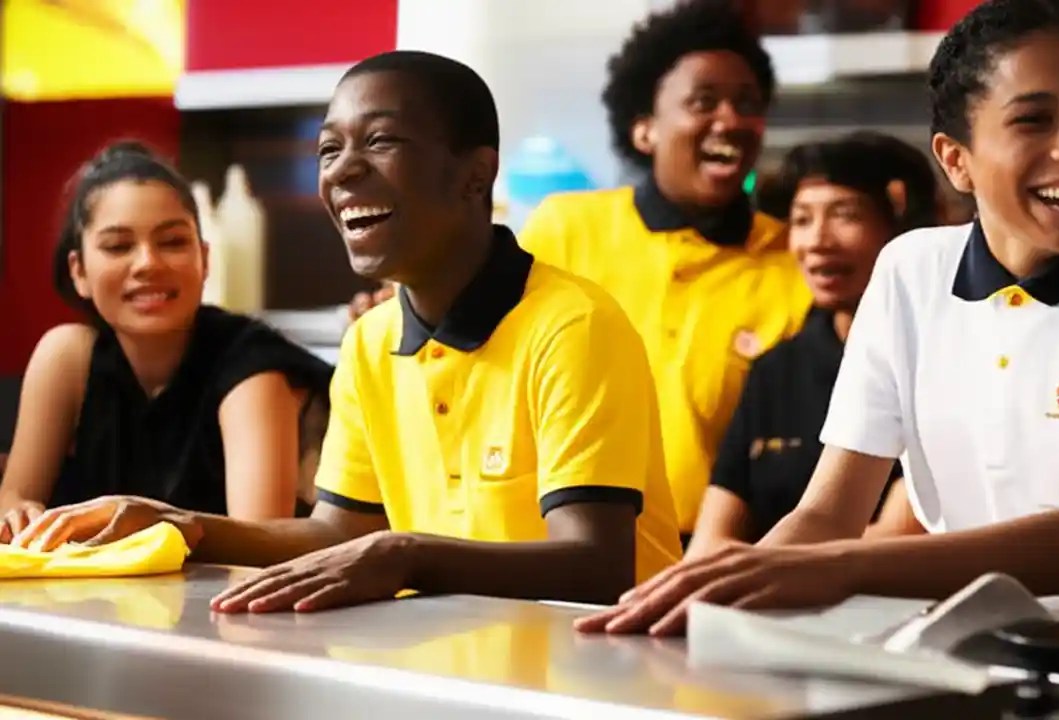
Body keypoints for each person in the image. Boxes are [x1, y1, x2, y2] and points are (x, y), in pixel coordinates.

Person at [575, 0, 1059, 639]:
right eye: (1034, 120)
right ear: (955, 159)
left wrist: (841, 567)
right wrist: (710, 600)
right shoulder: (910, 271)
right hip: (982, 641)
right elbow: (825, 514)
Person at [12, 51, 682, 613]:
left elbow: (600, 567)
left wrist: (402, 552)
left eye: (381, 140)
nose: (342, 169)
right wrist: (181, 525)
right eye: (330, 148)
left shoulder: (572, 324)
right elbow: (337, 531)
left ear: (476, 174)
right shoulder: (372, 340)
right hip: (459, 672)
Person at [517, 0, 813, 542]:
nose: (730, 119)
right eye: (703, 101)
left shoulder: (795, 263)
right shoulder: (564, 229)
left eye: (747, 103)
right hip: (554, 551)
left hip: (711, 562)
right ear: (645, 130)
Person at [0, 143, 333, 544]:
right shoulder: (67, 355)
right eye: (118, 246)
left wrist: (156, 526)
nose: (147, 264)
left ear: (204, 259)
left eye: (173, 242)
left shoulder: (252, 371)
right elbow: (16, 496)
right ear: (79, 271)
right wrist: (16, 514)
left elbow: (259, 549)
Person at [685, 132, 937, 559]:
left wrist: (747, 569)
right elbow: (710, 541)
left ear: (901, 227)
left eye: (845, 214)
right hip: (762, 610)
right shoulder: (776, 369)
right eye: (802, 219)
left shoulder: (938, 359)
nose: (817, 241)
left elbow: (898, 534)